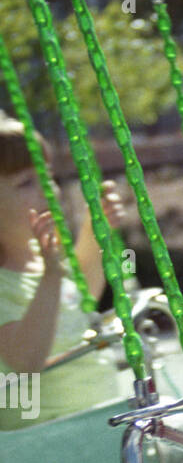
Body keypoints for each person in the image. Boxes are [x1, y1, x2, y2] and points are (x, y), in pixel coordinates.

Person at [0, 116, 125, 430]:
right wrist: (52, 277)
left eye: (48, 176)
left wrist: (95, 230)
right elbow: (24, 361)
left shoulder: (44, 261)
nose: (48, 190)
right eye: (27, 182)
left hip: (96, 417)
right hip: (46, 437)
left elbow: (82, 296)